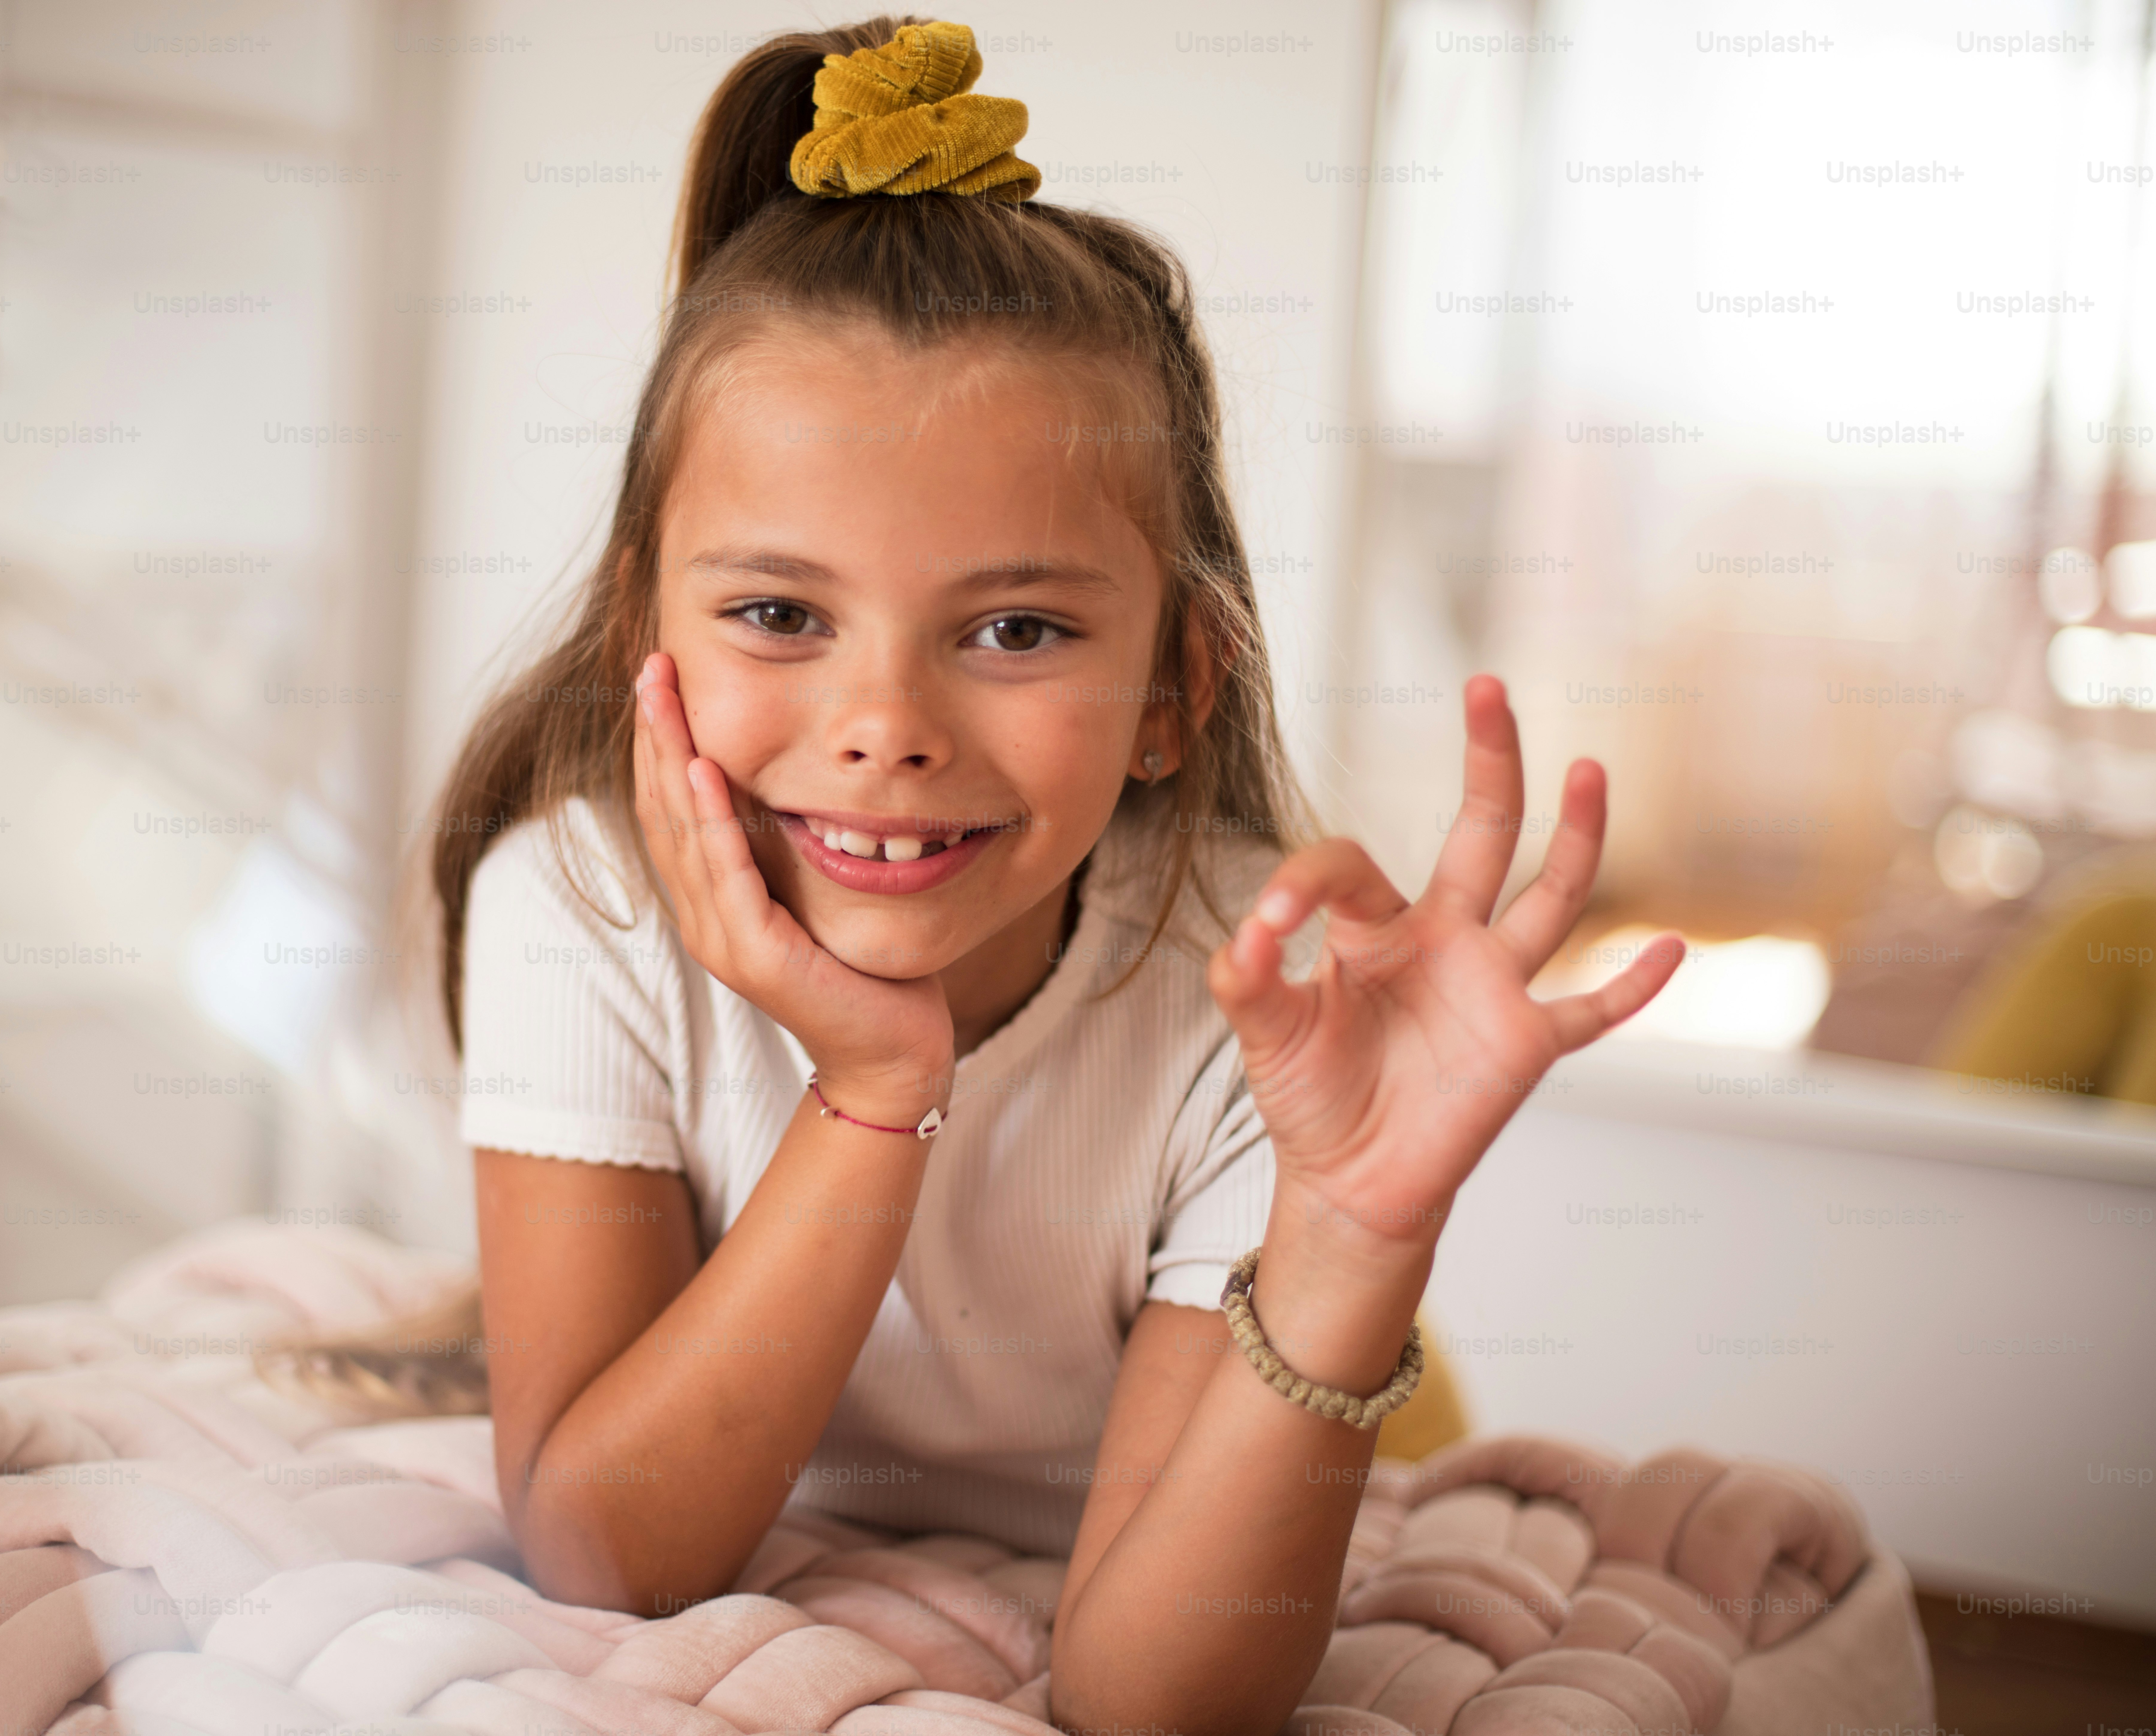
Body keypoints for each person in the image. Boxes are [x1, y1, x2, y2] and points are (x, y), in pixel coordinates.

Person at [395, 20, 1678, 1731]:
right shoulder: (581, 906)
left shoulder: (1256, 994)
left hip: (1291, 1411)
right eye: (780, 615)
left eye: (1013, 630)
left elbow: (1155, 1700)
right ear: (648, 631)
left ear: (1170, 693)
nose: (884, 727)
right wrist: (872, 1088)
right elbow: (608, 1557)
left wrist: (1363, 1228)